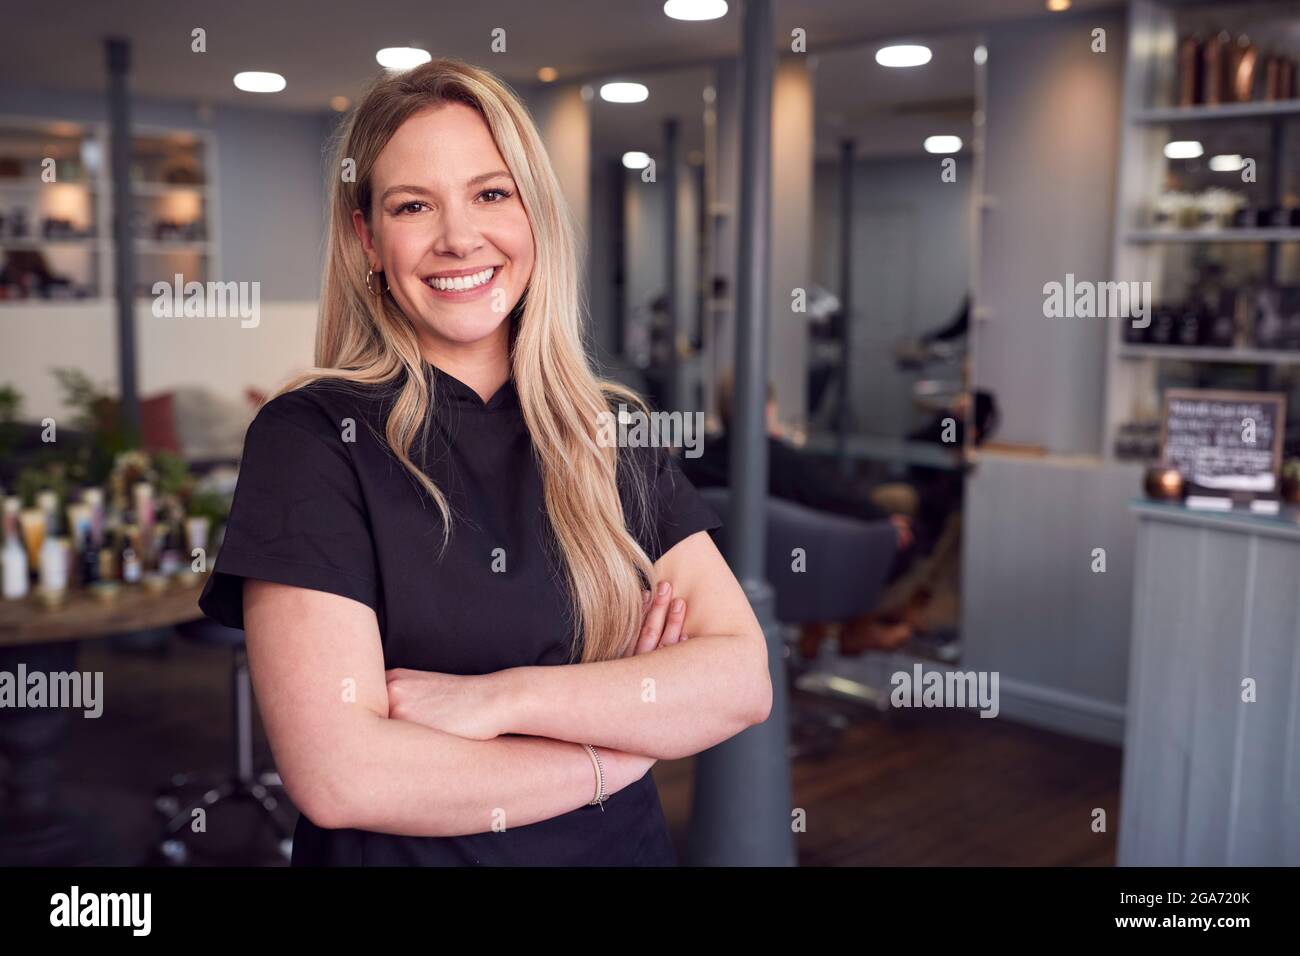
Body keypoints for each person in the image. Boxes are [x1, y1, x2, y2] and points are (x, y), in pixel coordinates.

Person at [197, 58, 771, 867]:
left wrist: (495, 700)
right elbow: (342, 775)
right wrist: (618, 751)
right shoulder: (311, 439)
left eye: (491, 193)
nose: (459, 236)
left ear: (536, 214)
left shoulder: (608, 432)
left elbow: (740, 679)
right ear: (367, 238)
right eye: (412, 206)